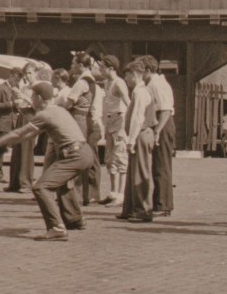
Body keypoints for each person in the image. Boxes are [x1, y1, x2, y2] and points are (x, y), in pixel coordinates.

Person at [0, 81, 94, 241]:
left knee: (41, 187)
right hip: (85, 152)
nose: (31, 99)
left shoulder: (44, 114)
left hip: (74, 154)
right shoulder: (59, 110)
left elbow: (20, 134)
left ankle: (57, 228)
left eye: (32, 96)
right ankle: (75, 220)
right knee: (61, 183)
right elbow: (27, 135)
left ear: (38, 97)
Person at [117, 59, 157, 222]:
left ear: (134, 75)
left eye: (127, 76)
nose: (126, 80)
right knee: (133, 171)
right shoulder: (139, 92)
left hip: (141, 134)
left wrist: (131, 140)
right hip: (140, 134)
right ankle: (130, 208)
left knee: (140, 172)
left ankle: (143, 210)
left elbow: (137, 118)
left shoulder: (140, 93)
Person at [63, 51, 101, 205]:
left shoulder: (81, 82)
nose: (71, 66)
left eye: (73, 63)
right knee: (89, 156)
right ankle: (90, 194)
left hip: (79, 118)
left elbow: (69, 103)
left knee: (76, 154)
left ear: (80, 65)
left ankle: (77, 194)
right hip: (88, 119)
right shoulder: (92, 81)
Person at [142, 55, 176, 217]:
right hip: (159, 123)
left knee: (161, 165)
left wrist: (157, 131)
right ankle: (159, 202)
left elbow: (166, 109)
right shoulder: (154, 83)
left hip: (162, 124)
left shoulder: (157, 84)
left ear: (148, 70)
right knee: (158, 164)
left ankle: (163, 204)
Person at [97, 53, 129, 206]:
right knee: (109, 159)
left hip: (118, 121)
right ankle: (113, 191)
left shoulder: (119, 83)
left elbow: (128, 103)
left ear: (111, 68)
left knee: (120, 157)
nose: (100, 70)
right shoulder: (107, 83)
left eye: (102, 67)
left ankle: (121, 195)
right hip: (109, 122)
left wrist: (126, 126)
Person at [5, 67, 38, 193]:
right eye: (26, 74)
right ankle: (14, 182)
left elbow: (38, 105)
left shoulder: (38, 87)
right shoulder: (24, 87)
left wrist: (24, 97)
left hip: (31, 117)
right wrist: (17, 101)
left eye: (30, 73)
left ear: (36, 73)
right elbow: (20, 102)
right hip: (22, 115)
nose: (28, 76)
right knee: (17, 149)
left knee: (26, 149)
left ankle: (26, 183)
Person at [0, 67, 22, 183]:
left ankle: (14, 175)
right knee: (0, 150)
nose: (17, 82)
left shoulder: (16, 88)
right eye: (16, 79)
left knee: (15, 149)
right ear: (12, 75)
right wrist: (11, 104)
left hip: (14, 121)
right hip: (3, 122)